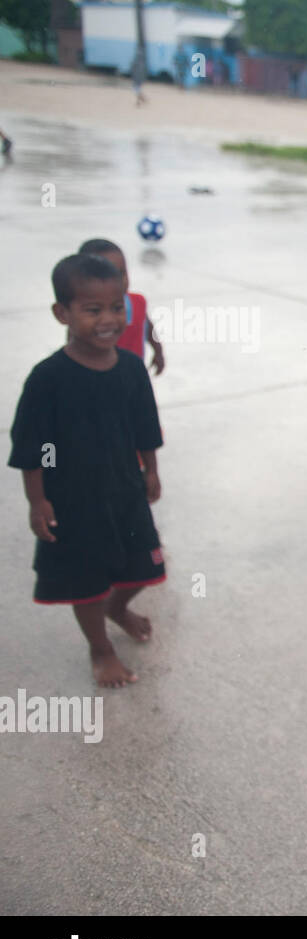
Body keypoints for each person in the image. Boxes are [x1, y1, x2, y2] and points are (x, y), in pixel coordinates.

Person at [8, 254, 165, 688]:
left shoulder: (131, 369)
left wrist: (150, 469)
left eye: (117, 307)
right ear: (62, 313)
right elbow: (34, 445)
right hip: (74, 499)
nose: (108, 319)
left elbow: (144, 423)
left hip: (125, 489)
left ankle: (119, 607)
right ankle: (101, 648)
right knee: (87, 581)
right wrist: (37, 499)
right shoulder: (49, 378)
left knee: (147, 565)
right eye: (92, 310)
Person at [78, 239, 165, 375]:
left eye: (121, 273)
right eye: (105, 276)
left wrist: (158, 352)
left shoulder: (138, 301)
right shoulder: (84, 315)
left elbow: (148, 327)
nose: (117, 282)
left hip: (135, 374)